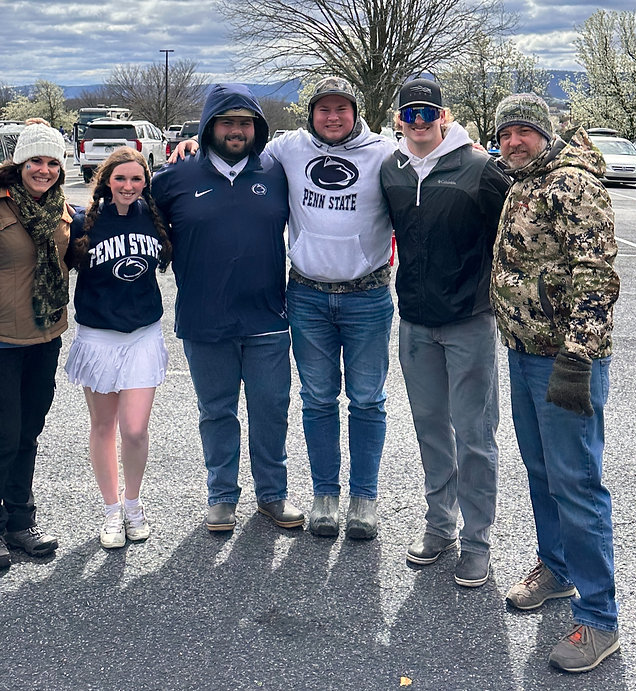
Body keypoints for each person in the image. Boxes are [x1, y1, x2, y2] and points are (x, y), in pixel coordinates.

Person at [174, 76, 396, 539]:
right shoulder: (281, 154)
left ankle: (357, 500)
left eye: (342, 108)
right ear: (309, 113)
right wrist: (184, 147)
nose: (332, 117)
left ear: (356, 112)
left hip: (355, 299)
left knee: (362, 401)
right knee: (312, 400)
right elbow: (150, 209)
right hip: (303, 297)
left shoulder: (381, 153)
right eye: (323, 109)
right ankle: (315, 497)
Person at [492, 92, 621, 673]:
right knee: (542, 472)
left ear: (545, 133)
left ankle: (599, 621)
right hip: (523, 352)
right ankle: (558, 571)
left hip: (563, 360)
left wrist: (578, 358)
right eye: (506, 131)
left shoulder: (572, 185)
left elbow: (595, 277)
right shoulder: (524, 180)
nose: (513, 140)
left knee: (577, 483)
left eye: (524, 130)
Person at [151, 84, 302, 533]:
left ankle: (272, 495)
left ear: (256, 128)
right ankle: (221, 496)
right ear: (209, 126)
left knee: (271, 408)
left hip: (267, 317)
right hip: (204, 317)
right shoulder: (173, 178)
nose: (236, 131)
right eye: (227, 122)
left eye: (245, 123)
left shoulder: (276, 172)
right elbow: (134, 222)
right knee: (216, 411)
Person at [379, 78, 509, 587]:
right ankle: (441, 526)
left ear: (443, 115)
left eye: (427, 112)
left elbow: (515, 233)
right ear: (398, 119)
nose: (418, 121)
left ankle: (478, 541)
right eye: (409, 112)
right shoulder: (391, 170)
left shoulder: (479, 168)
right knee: (432, 430)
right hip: (414, 322)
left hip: (469, 322)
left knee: (475, 435)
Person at [0, 121, 73, 570]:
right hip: (0, 337)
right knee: (4, 436)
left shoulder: (63, 209)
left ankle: (20, 522)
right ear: (19, 163)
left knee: (29, 434)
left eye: (52, 162)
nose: (44, 170)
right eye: (36, 161)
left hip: (46, 334)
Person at [65, 147, 172, 549]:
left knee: (135, 428)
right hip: (98, 336)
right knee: (104, 427)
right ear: (106, 180)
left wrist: (188, 145)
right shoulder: (83, 223)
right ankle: (111, 510)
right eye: (121, 178)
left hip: (143, 334)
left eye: (137, 179)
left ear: (146, 181)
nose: (129, 186)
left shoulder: (155, 217)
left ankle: (133, 503)